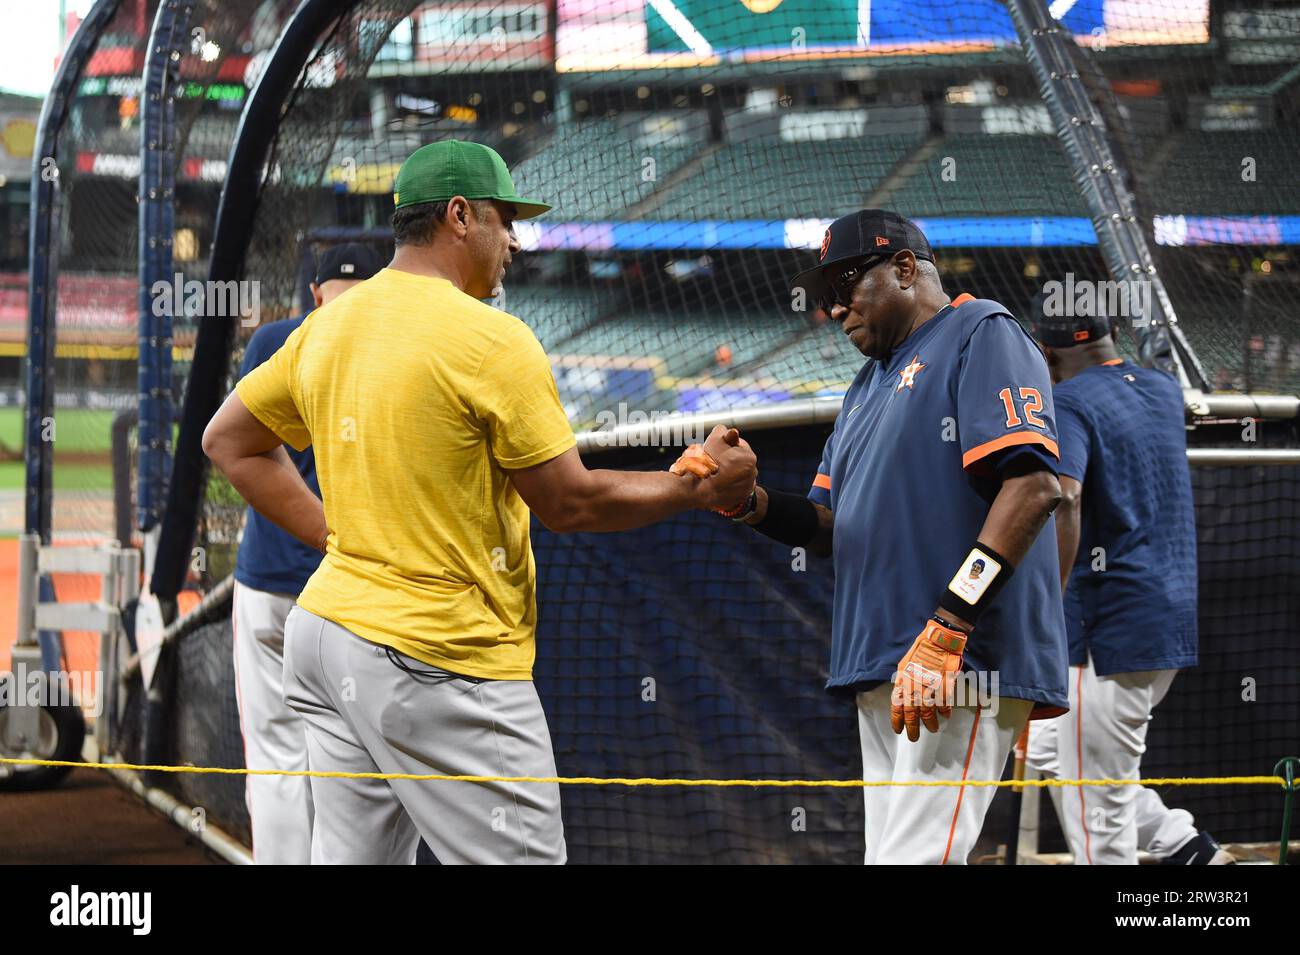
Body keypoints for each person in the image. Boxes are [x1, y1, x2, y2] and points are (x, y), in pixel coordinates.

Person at [202, 140, 755, 864]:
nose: (515, 242)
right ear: (459, 216)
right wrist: (701, 485)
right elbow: (570, 502)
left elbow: (227, 440)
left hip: (328, 634)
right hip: (441, 654)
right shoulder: (491, 338)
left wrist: (337, 537)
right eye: (504, 219)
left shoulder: (327, 325)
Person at [677, 211, 1069, 864]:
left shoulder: (981, 331)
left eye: (844, 285)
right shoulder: (864, 387)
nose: (831, 308)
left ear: (906, 268)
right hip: (885, 661)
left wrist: (949, 625)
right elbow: (828, 525)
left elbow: (1033, 487)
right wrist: (748, 503)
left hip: (959, 659)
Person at [1024, 293, 1232, 865]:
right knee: (1056, 752)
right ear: (1110, 328)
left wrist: (1044, 606)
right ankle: (1191, 850)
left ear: (1043, 350)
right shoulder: (1161, 388)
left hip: (1108, 627)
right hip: (1163, 619)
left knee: (1098, 819)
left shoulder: (1064, 401)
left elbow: (1063, 497)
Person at [231, 242, 383, 864]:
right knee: (350, 767)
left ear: (315, 292)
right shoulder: (388, 346)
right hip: (349, 590)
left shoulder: (273, 339)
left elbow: (236, 443)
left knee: (273, 758)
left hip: (265, 582)